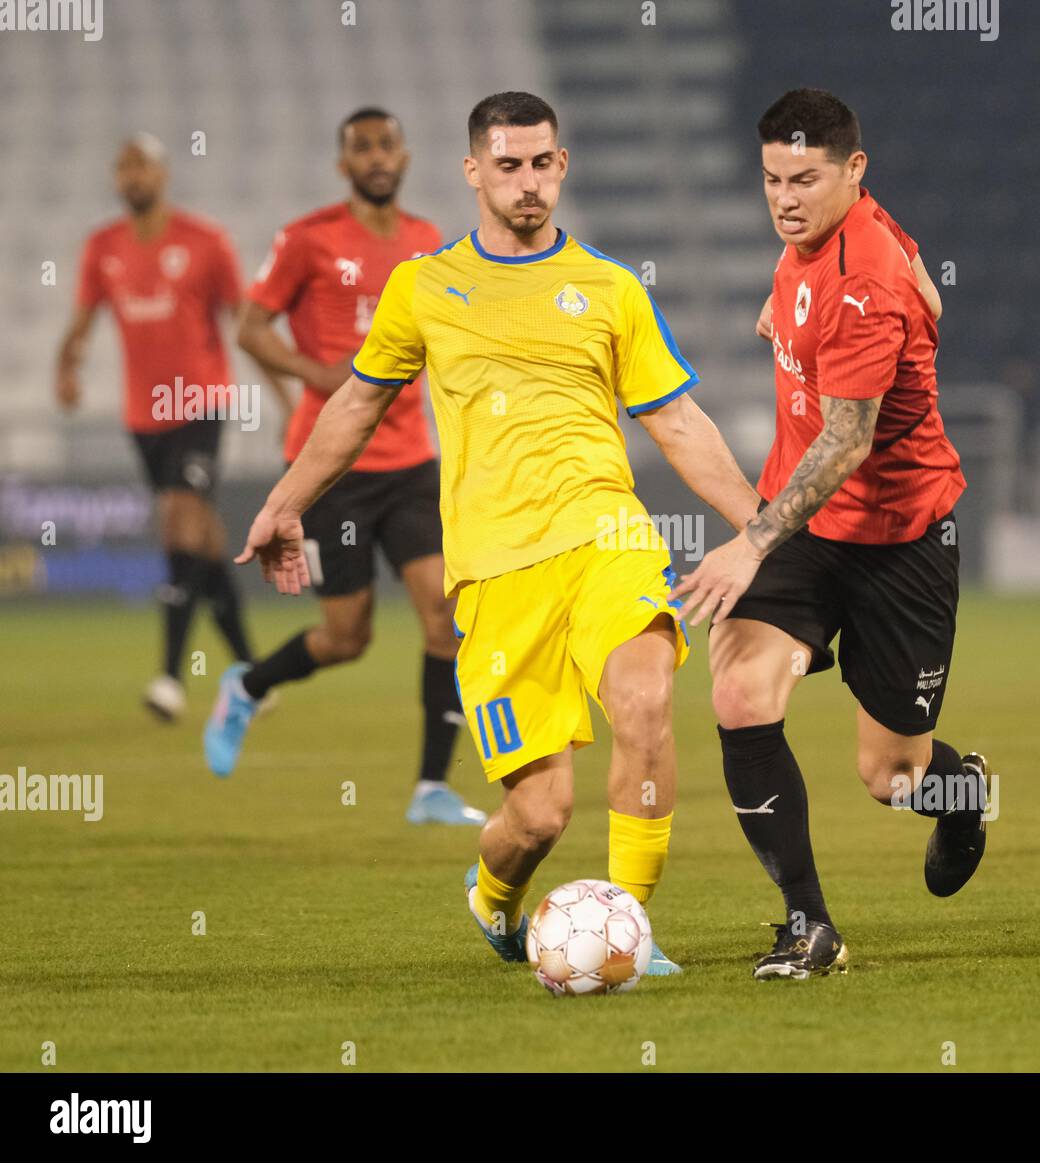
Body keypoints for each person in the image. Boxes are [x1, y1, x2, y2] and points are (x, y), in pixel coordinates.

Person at [234, 91, 759, 975]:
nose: (528, 181)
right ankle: (494, 897)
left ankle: (627, 922)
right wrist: (286, 499)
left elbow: (678, 422)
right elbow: (357, 404)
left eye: (543, 162)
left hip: (608, 538)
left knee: (645, 699)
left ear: (563, 166)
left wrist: (764, 526)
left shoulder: (609, 287)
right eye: (508, 164)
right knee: (539, 816)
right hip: (492, 571)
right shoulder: (425, 287)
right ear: (474, 170)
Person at [673, 88, 990, 980]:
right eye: (772, 178)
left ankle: (962, 796)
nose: (784, 197)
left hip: (899, 539)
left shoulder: (866, 279)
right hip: (809, 528)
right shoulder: (829, 234)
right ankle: (809, 923)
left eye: (804, 179)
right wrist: (786, 316)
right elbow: (912, 282)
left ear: (854, 171)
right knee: (739, 691)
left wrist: (750, 539)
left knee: (890, 776)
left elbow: (848, 439)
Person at [201, 108, 483, 827]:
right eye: (362, 147)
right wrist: (312, 375)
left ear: (406, 156)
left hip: (412, 462)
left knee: (446, 617)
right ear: (343, 163)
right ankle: (248, 684)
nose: (377, 157)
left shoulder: (428, 244)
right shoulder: (308, 239)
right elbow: (251, 327)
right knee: (346, 636)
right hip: (332, 466)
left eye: (387, 144)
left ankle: (430, 788)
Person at [55, 134, 282, 721]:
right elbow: (82, 320)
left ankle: (169, 680)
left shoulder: (206, 242)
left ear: (163, 174)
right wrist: (67, 367)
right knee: (200, 541)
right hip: (143, 419)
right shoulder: (102, 247)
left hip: (199, 405)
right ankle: (255, 678)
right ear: (117, 178)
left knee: (179, 523)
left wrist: (285, 395)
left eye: (143, 166)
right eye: (124, 166)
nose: (134, 176)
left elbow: (246, 322)